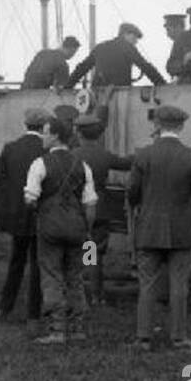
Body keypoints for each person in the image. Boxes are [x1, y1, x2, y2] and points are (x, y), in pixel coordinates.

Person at [127, 104, 191, 350]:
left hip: (149, 227)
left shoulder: (143, 155)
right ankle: (179, 336)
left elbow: (132, 193)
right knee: (179, 285)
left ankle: (143, 337)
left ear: (157, 125)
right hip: (182, 227)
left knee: (147, 284)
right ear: (181, 126)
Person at [24, 116, 97, 344]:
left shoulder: (40, 163)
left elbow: (30, 198)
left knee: (52, 276)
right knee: (75, 277)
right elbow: (91, 204)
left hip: (50, 229)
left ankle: (57, 329)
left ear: (55, 135)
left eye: (46, 132)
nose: (43, 137)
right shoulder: (83, 166)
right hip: (78, 229)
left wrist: (42, 211)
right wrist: (87, 230)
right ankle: (77, 328)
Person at [0, 108, 49, 321]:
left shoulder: (10, 148)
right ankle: (34, 312)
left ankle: (5, 306)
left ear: (25, 124)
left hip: (17, 214)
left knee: (16, 261)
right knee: (38, 264)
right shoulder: (46, 149)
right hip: (40, 214)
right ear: (44, 126)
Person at [74, 112, 132, 305]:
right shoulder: (104, 155)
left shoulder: (72, 155)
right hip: (100, 209)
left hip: (78, 210)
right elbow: (126, 164)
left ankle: (83, 293)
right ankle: (97, 295)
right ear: (98, 135)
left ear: (79, 133)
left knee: (80, 253)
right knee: (94, 254)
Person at [66, 22, 165, 89]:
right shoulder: (127, 47)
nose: (135, 42)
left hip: (98, 91)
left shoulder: (100, 47)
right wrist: (162, 84)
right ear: (126, 34)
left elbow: (82, 68)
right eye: (135, 37)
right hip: (119, 92)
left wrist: (68, 86)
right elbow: (145, 66)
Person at [163, 14, 188, 78]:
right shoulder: (178, 42)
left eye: (168, 30)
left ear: (177, 27)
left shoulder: (185, 41)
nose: (167, 34)